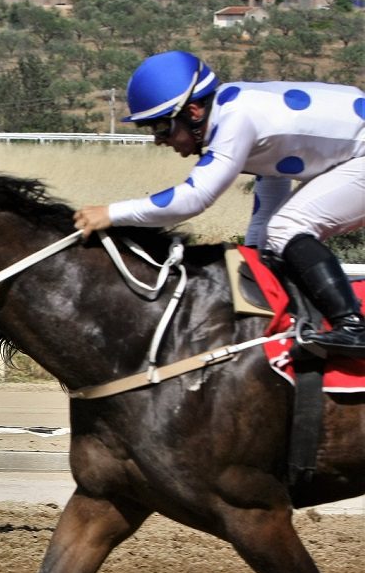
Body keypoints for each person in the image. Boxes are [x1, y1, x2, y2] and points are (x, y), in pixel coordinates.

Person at [73, 50, 365, 356]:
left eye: (161, 127)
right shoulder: (231, 109)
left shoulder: (236, 119)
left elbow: (195, 197)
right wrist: (254, 254)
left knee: (288, 227)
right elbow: (272, 188)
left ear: (194, 111)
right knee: (275, 235)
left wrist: (112, 213)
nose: (159, 140)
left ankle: (353, 327)